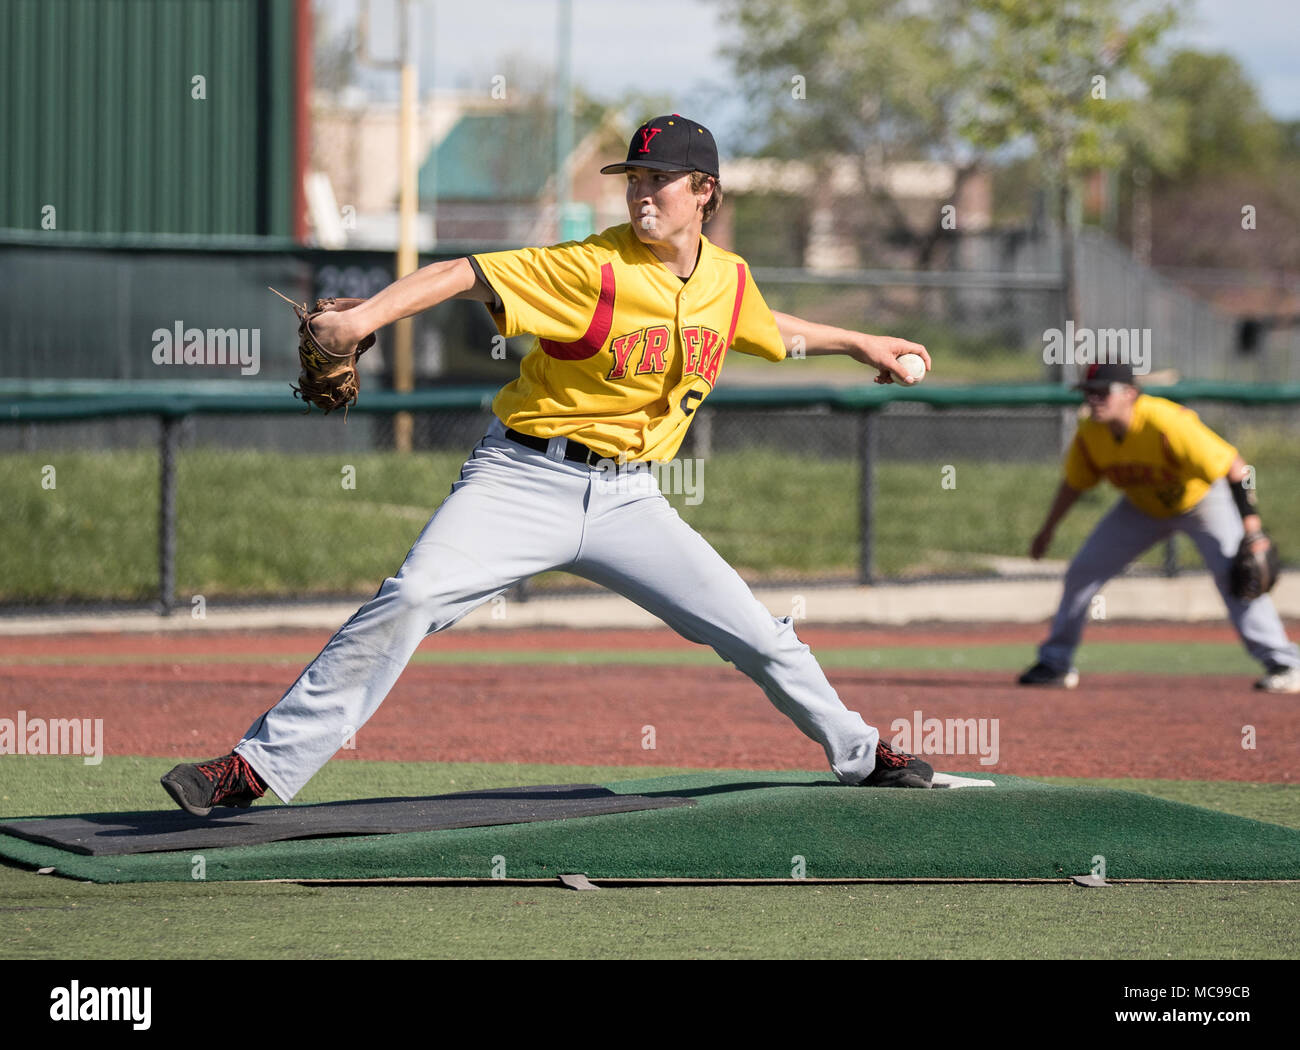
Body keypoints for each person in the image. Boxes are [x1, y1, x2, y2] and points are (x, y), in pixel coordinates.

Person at [161, 114, 937, 817]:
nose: (641, 193)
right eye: (633, 178)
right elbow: (465, 273)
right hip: (523, 480)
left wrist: (862, 342)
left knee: (759, 635)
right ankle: (253, 768)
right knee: (414, 596)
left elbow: (763, 324)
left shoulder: (726, 279)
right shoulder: (591, 267)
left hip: (631, 500)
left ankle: (863, 754)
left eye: (658, 179)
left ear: (705, 192)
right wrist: (363, 318)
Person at [1018, 360, 1300, 693]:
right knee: (1082, 571)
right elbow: (1074, 485)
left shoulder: (1166, 422)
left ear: (1130, 394)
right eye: (1088, 393)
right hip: (1141, 508)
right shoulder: (1091, 433)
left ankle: (1285, 663)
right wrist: (1047, 529)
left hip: (1203, 502)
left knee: (1241, 575)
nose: (1093, 400)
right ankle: (1055, 662)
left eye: (1101, 393)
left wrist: (1252, 531)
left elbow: (1239, 468)